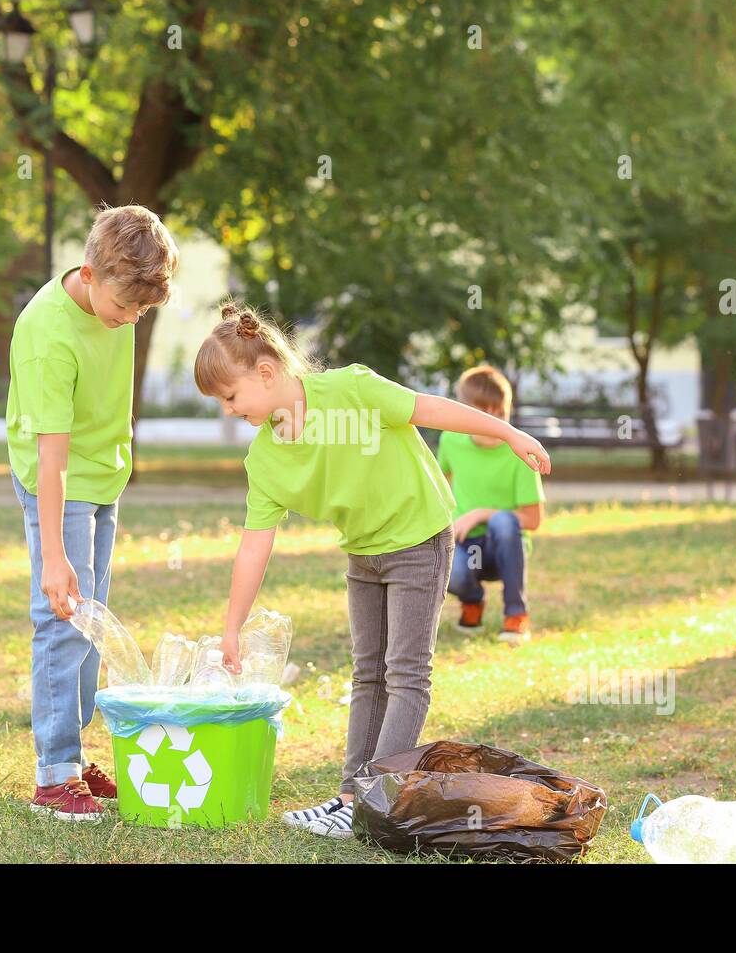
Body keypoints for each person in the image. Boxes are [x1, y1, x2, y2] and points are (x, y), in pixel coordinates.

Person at [195, 301, 550, 838]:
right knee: (368, 674)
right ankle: (349, 796)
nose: (227, 410)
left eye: (230, 396)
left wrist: (507, 433)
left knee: (406, 673)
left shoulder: (352, 391)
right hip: (364, 552)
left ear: (266, 373)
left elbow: (429, 410)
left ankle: (376, 801)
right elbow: (253, 547)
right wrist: (230, 627)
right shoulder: (265, 459)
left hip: (418, 538)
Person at [7, 204, 179, 820]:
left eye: (140, 312)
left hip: (102, 476)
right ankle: (53, 774)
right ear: (88, 273)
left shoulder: (121, 291)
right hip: (59, 481)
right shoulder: (47, 336)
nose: (130, 320)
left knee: (91, 621)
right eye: (123, 309)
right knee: (61, 615)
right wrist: (53, 558)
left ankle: (75, 761)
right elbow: (49, 459)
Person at [438, 365, 544, 644]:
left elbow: (533, 520)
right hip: (465, 544)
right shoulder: (451, 440)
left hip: (505, 550)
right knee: (445, 567)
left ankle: (516, 615)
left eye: (502, 414)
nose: (496, 423)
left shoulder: (519, 450)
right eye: (486, 415)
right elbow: (437, 485)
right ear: (465, 413)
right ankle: (473, 601)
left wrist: (481, 513)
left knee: (503, 521)